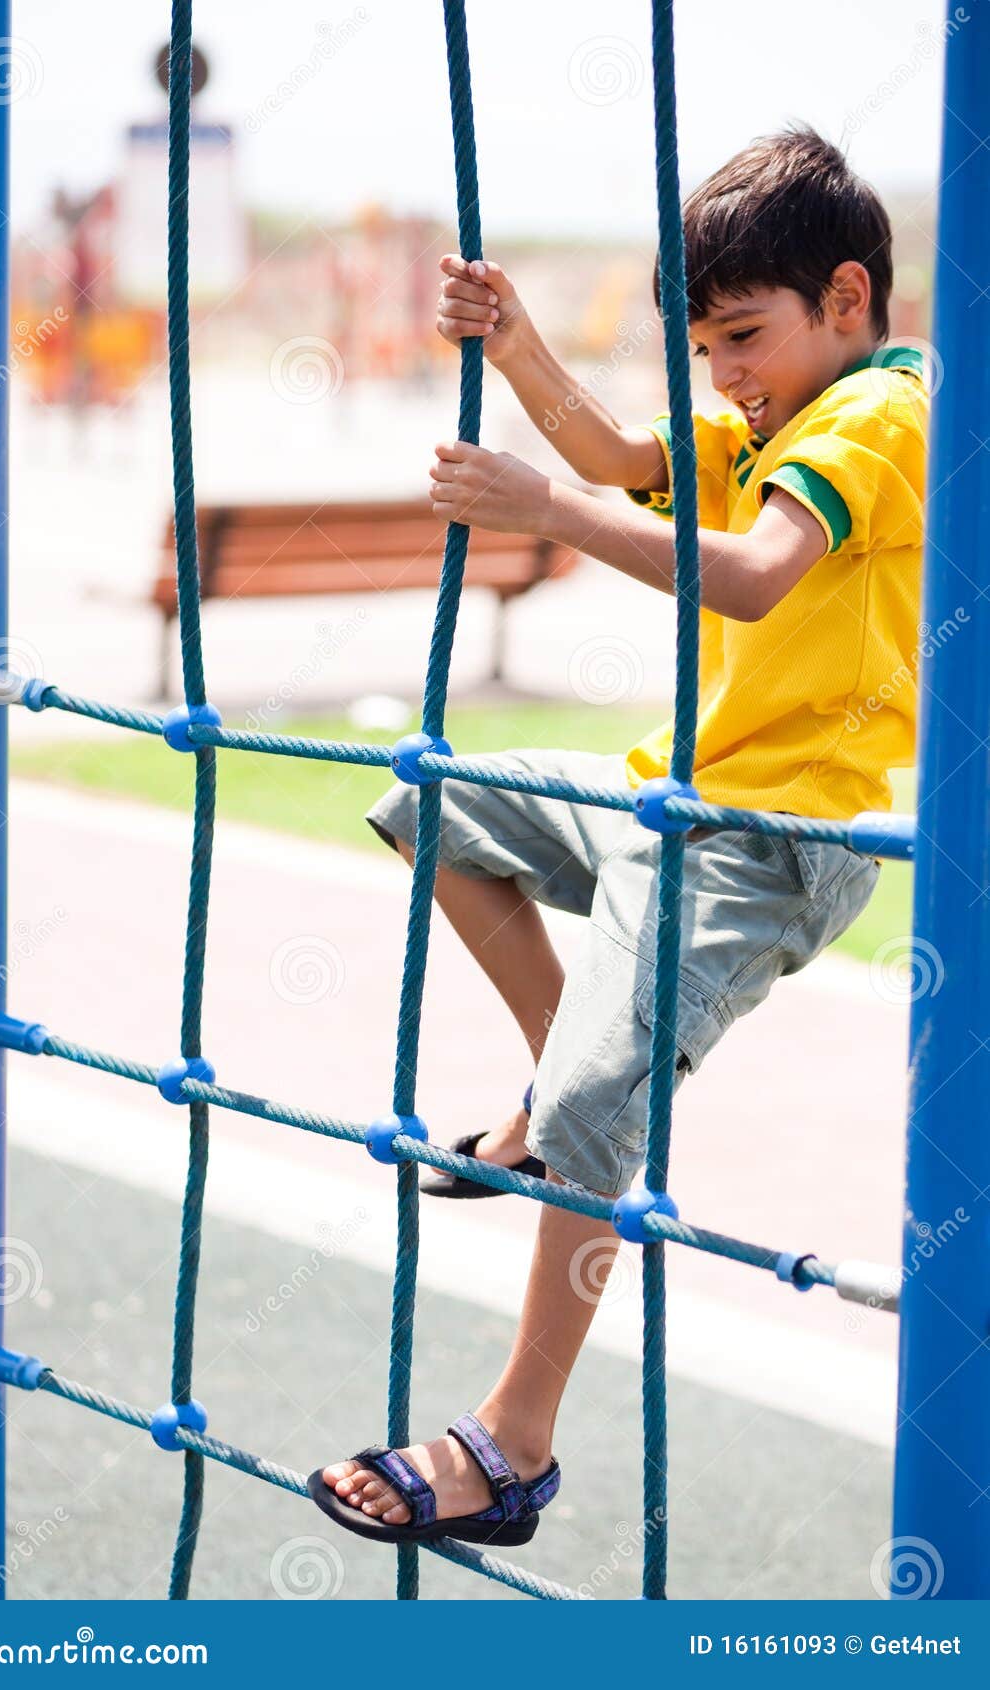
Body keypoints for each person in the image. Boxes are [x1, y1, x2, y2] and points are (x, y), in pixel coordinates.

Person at [308, 125, 927, 1548]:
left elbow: (759, 578)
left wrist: (551, 511)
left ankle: (510, 1444)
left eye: (741, 339)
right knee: (434, 801)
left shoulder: (878, 419)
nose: (723, 375)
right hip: (676, 796)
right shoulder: (783, 408)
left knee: (604, 1108)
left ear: (845, 300)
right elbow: (612, 448)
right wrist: (520, 345)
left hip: (775, 837)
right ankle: (561, 1093)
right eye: (706, 347)